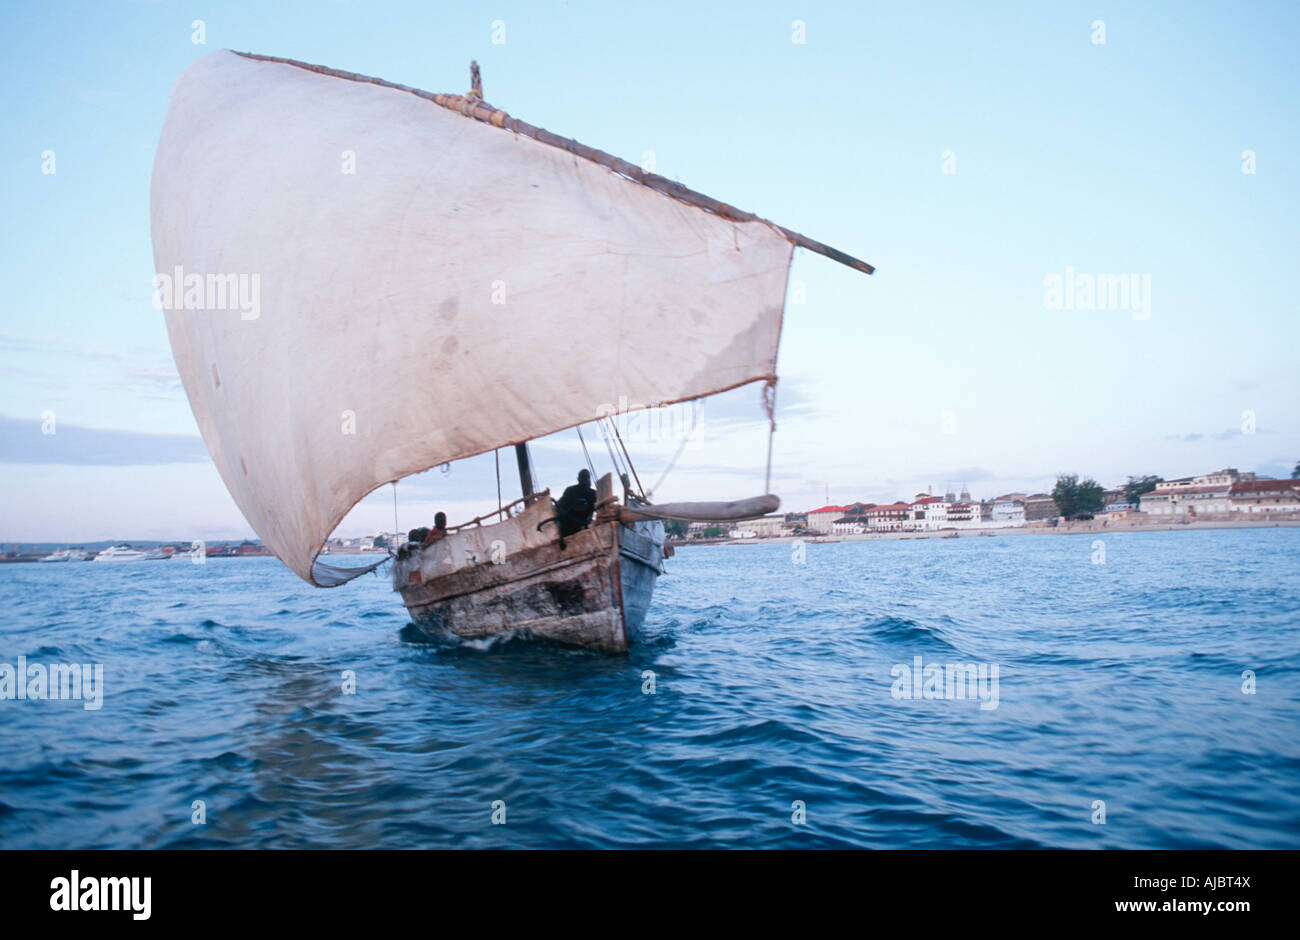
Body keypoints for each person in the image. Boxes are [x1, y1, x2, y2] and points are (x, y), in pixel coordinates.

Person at [554, 469, 597, 537]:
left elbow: (558, 506)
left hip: (581, 528)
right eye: (584, 478)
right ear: (579, 479)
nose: (585, 481)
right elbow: (559, 507)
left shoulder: (593, 494)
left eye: (586, 478)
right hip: (569, 529)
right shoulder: (570, 491)